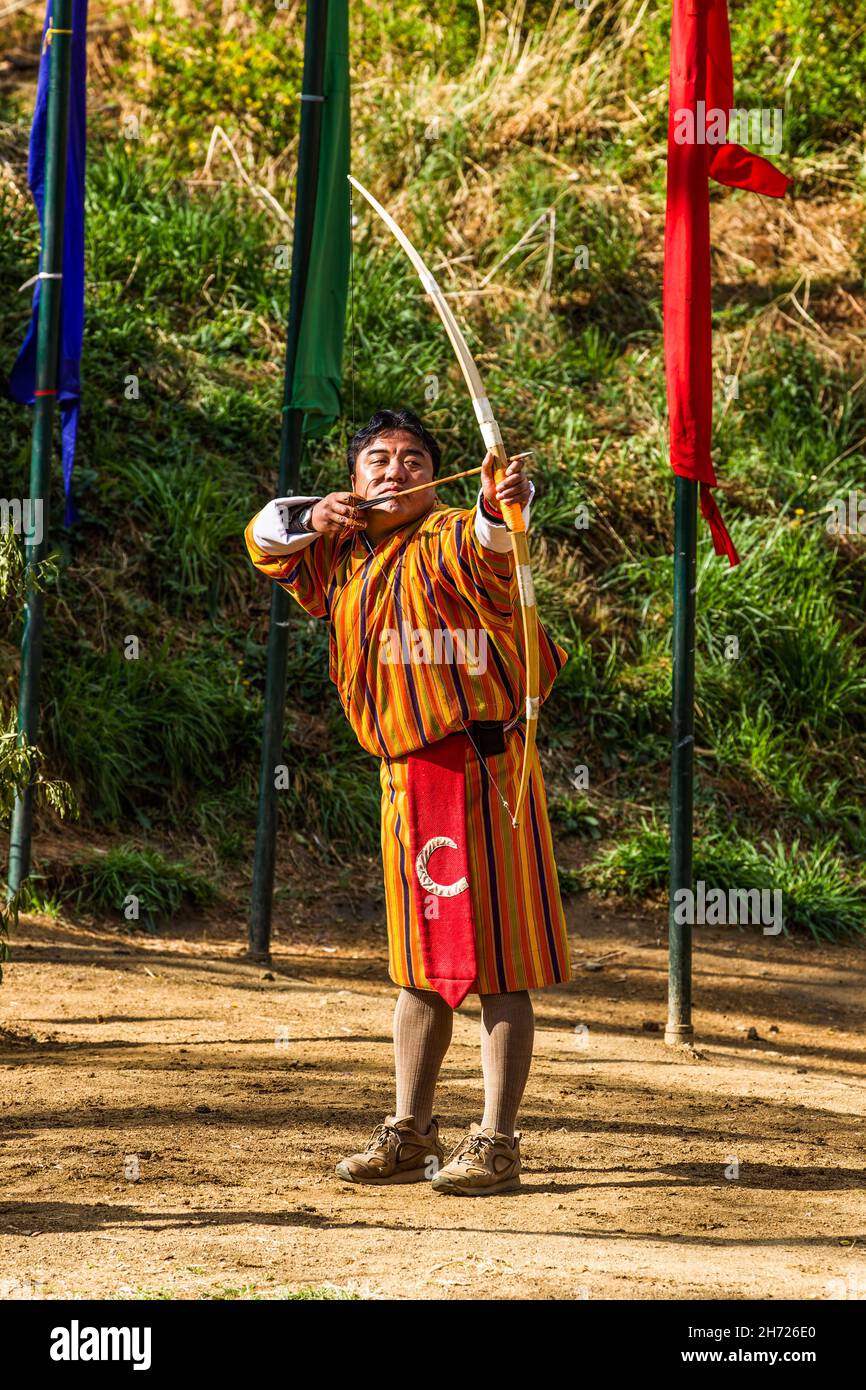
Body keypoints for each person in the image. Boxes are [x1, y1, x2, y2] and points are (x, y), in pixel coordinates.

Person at [244, 408, 571, 1195]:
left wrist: (500, 504)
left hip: (485, 772)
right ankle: (413, 1133)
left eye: (415, 460)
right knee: (418, 967)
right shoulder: (341, 555)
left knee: (499, 963)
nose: (397, 472)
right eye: (379, 461)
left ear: (438, 477)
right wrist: (311, 514)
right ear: (354, 481)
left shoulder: (451, 535)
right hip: (404, 777)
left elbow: (492, 551)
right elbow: (263, 541)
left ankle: (496, 1140)